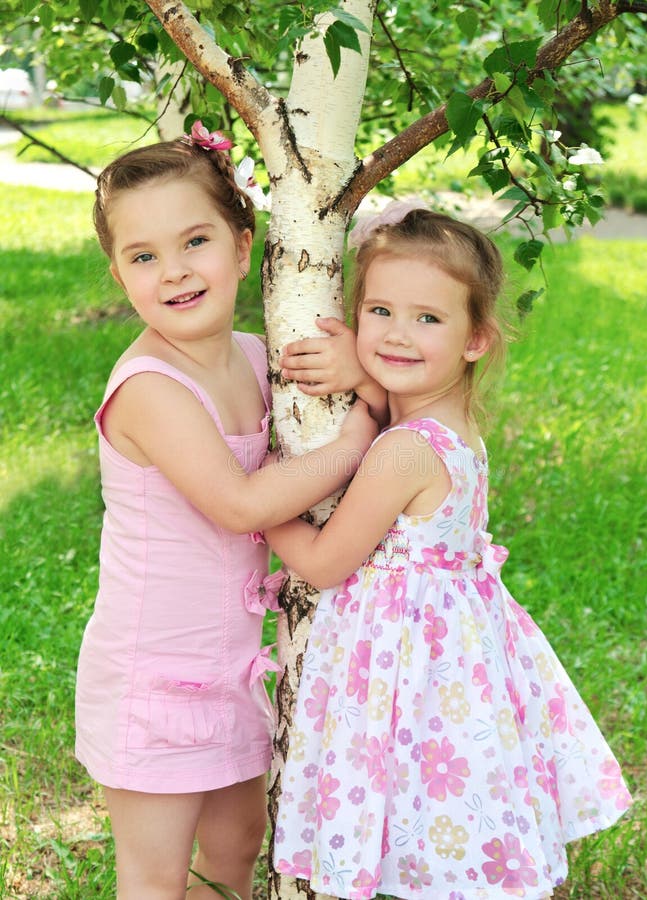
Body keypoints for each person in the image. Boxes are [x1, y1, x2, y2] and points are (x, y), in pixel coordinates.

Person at [267, 204, 633, 899]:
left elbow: (319, 563)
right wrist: (369, 380)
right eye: (378, 311)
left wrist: (256, 497)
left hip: (406, 681)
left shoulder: (403, 451)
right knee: (442, 827)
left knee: (410, 814)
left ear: (475, 340)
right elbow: (398, 379)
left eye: (427, 319)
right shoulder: (452, 427)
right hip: (447, 672)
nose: (397, 335)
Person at [74, 123, 377, 900]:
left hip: (235, 671)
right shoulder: (149, 387)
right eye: (143, 257)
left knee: (239, 844)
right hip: (155, 678)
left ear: (245, 248)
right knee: (155, 876)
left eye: (195, 241)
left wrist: (355, 374)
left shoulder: (253, 355)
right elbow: (240, 504)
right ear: (118, 273)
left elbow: (337, 392)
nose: (173, 271)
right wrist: (354, 440)